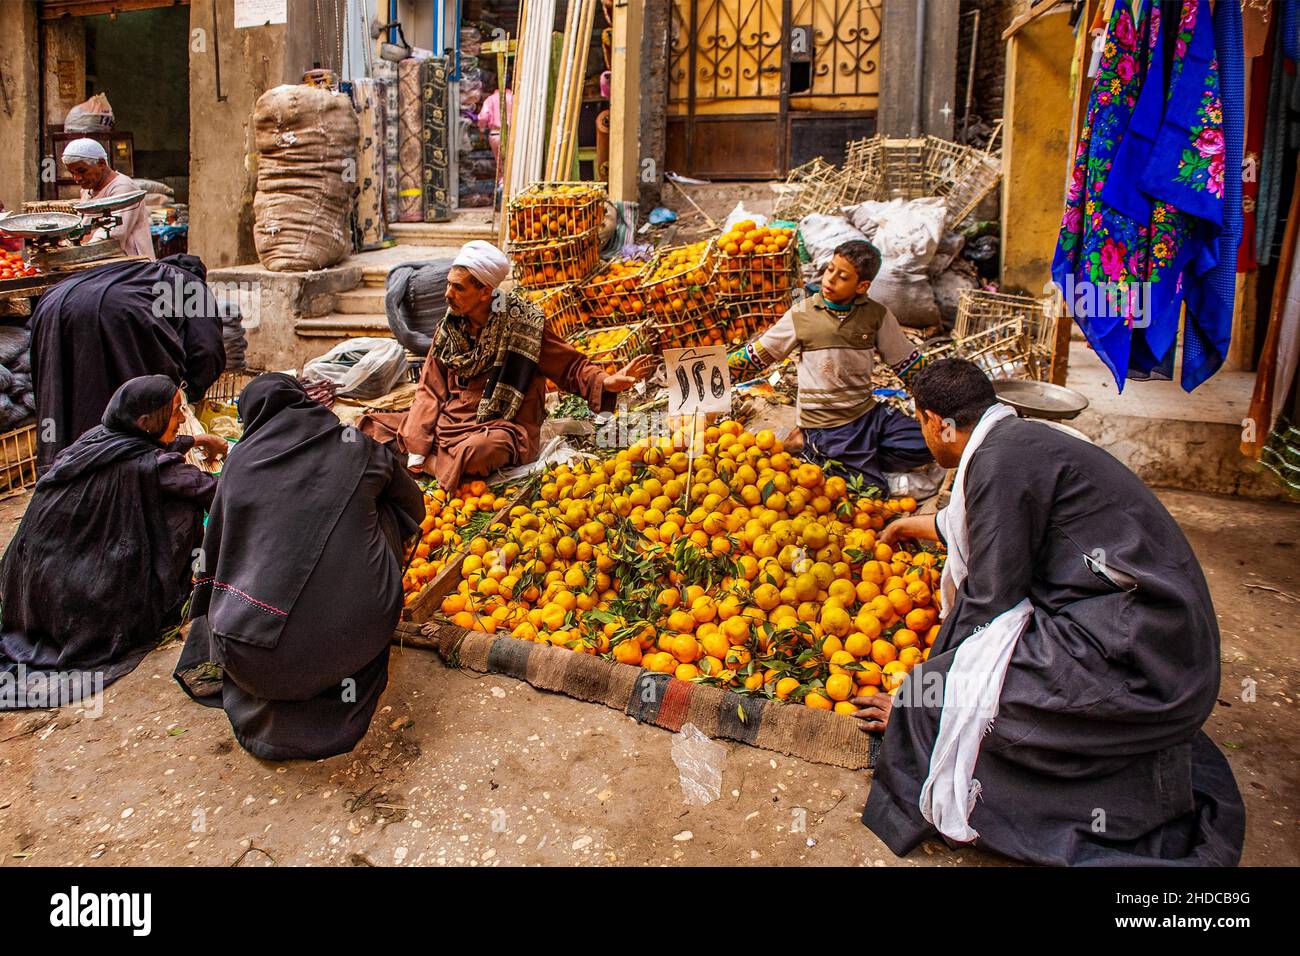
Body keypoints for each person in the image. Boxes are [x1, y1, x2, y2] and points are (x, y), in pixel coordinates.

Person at [856, 358, 1246, 866]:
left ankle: (1031, 808)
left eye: (918, 423)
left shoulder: (998, 461)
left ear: (935, 421)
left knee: (978, 695)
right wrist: (913, 525)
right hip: (1171, 642)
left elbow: (989, 603)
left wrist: (924, 701)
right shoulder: (1015, 440)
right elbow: (988, 521)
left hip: (1141, 652)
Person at [174, 373, 426, 761]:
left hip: (244, 657)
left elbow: (219, 549)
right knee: (388, 513)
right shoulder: (356, 448)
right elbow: (414, 507)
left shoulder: (240, 461)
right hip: (344, 648)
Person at [0, 376, 225, 710]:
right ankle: (157, 596)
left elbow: (147, 450)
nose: (181, 418)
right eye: (176, 411)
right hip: (86, 603)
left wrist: (195, 439)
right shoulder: (149, 466)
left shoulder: (96, 441)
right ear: (145, 421)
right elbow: (215, 492)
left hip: (31, 595)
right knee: (186, 509)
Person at [361, 240, 654, 490]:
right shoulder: (448, 328)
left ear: (485, 292)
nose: (447, 294)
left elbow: (569, 366)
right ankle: (437, 464)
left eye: (458, 288)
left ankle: (437, 466)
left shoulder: (524, 325)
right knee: (372, 427)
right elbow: (429, 390)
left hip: (502, 425)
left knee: (479, 451)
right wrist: (417, 442)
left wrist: (604, 382)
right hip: (447, 422)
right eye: (448, 285)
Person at [727, 239, 933, 492]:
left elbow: (907, 364)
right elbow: (756, 356)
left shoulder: (877, 315)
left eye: (842, 276)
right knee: (870, 491)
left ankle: (834, 453)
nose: (830, 279)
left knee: (931, 443)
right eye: (829, 269)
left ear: (862, 286)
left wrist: (943, 400)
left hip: (868, 413)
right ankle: (817, 444)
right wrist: (714, 373)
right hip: (829, 423)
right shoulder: (803, 314)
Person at [30, 253, 226, 474]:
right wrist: (183, 393)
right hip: (116, 313)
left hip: (54, 303)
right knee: (136, 421)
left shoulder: (138, 275)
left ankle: (71, 471)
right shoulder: (189, 283)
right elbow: (207, 351)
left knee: (71, 400)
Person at [61, 138, 155, 260]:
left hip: (130, 265)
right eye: (72, 173)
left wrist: (76, 253)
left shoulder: (124, 187)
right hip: (96, 258)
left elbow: (115, 234)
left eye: (82, 171)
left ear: (101, 164)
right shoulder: (87, 190)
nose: (77, 178)